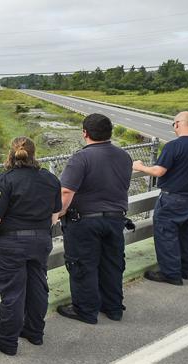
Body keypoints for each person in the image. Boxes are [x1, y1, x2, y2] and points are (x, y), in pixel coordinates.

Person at [0, 137, 61, 355]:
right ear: (34, 154)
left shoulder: (3, 181)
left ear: (10, 155)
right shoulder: (50, 179)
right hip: (41, 240)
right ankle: (34, 332)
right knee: (37, 286)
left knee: (13, 292)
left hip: (10, 243)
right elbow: (55, 215)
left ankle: (6, 340)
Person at [56, 114, 134, 324]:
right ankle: (114, 308)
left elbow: (66, 193)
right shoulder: (124, 156)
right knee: (112, 264)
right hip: (116, 219)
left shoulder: (81, 158)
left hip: (84, 222)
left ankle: (85, 310)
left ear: (85, 133)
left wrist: (58, 214)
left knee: (83, 265)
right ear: (110, 132)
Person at [133, 112, 188, 285]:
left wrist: (140, 166)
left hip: (174, 199)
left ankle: (171, 274)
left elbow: (158, 171)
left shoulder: (174, 146)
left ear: (178, 124)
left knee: (166, 235)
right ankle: (186, 270)